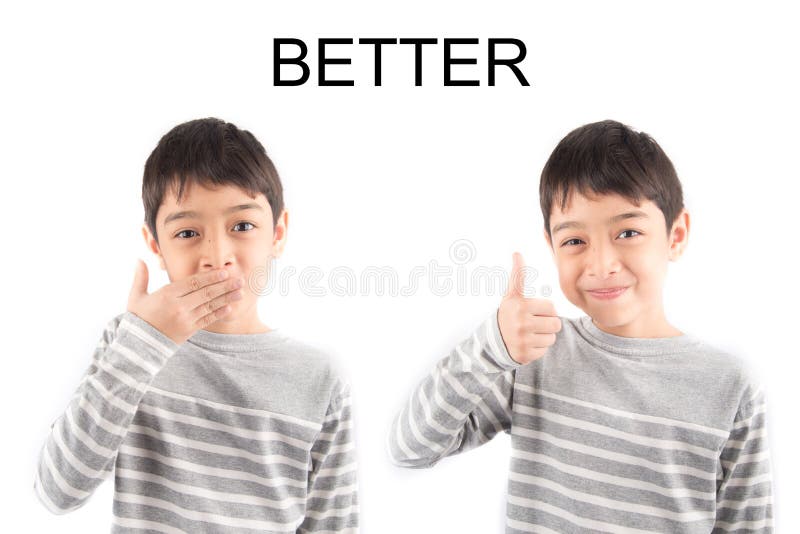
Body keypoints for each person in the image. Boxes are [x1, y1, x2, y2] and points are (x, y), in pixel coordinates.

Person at [388, 120, 773, 532]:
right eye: (575, 241)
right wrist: (490, 347)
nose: (602, 265)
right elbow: (411, 448)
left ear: (675, 235)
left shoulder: (729, 385)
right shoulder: (534, 358)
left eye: (628, 232)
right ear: (552, 246)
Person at [34, 118, 358, 533]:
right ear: (156, 246)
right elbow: (58, 491)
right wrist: (144, 341)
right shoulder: (131, 343)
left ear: (277, 234)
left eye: (242, 226)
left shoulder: (319, 379)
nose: (217, 256)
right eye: (187, 232)